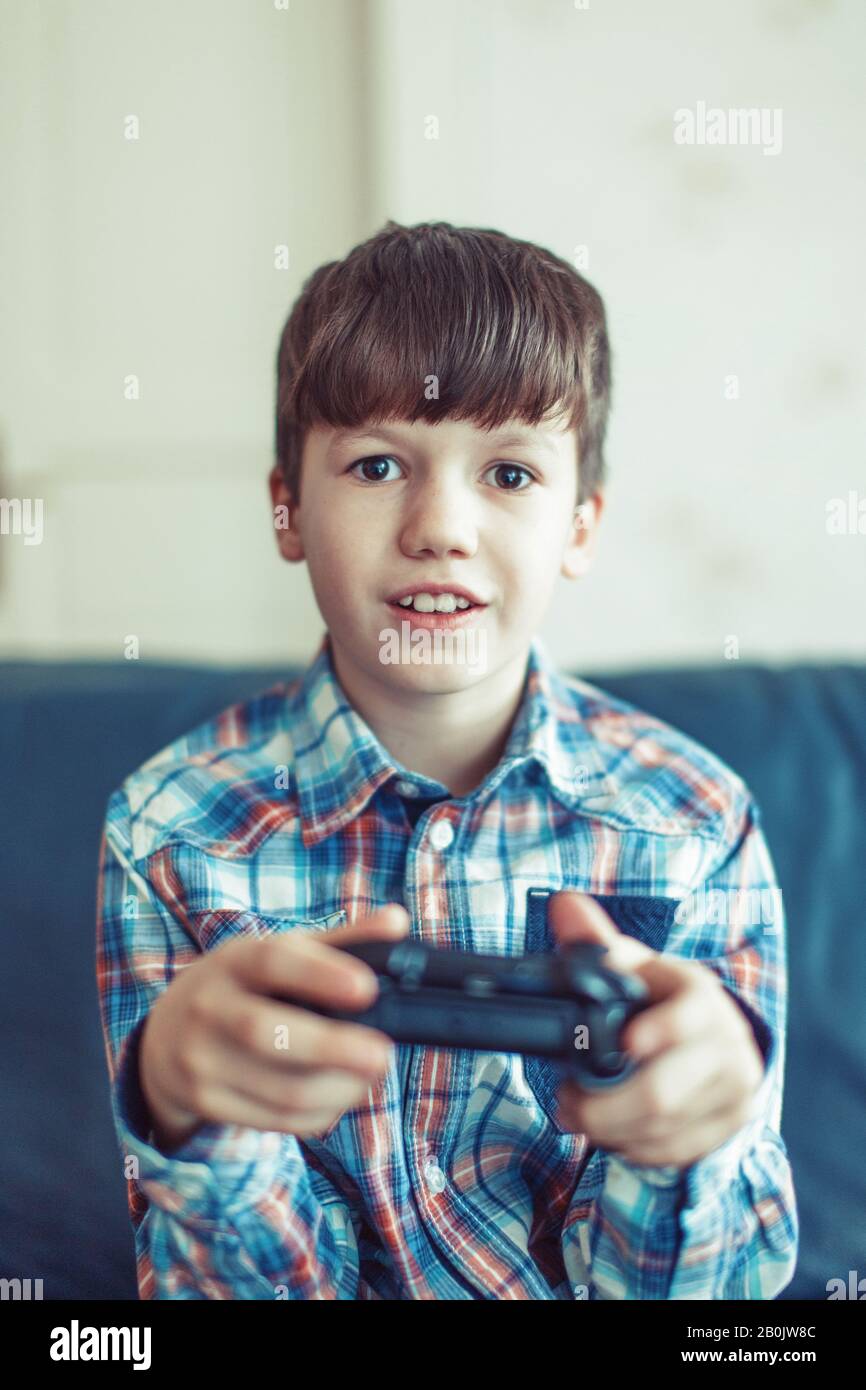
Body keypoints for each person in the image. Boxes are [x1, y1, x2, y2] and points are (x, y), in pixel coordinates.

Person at [95, 219, 798, 1299]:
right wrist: (186, 1110)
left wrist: (689, 1141)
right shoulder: (168, 828)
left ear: (579, 525)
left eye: (509, 473)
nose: (440, 526)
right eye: (377, 464)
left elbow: (720, 1313)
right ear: (286, 507)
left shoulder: (694, 818)